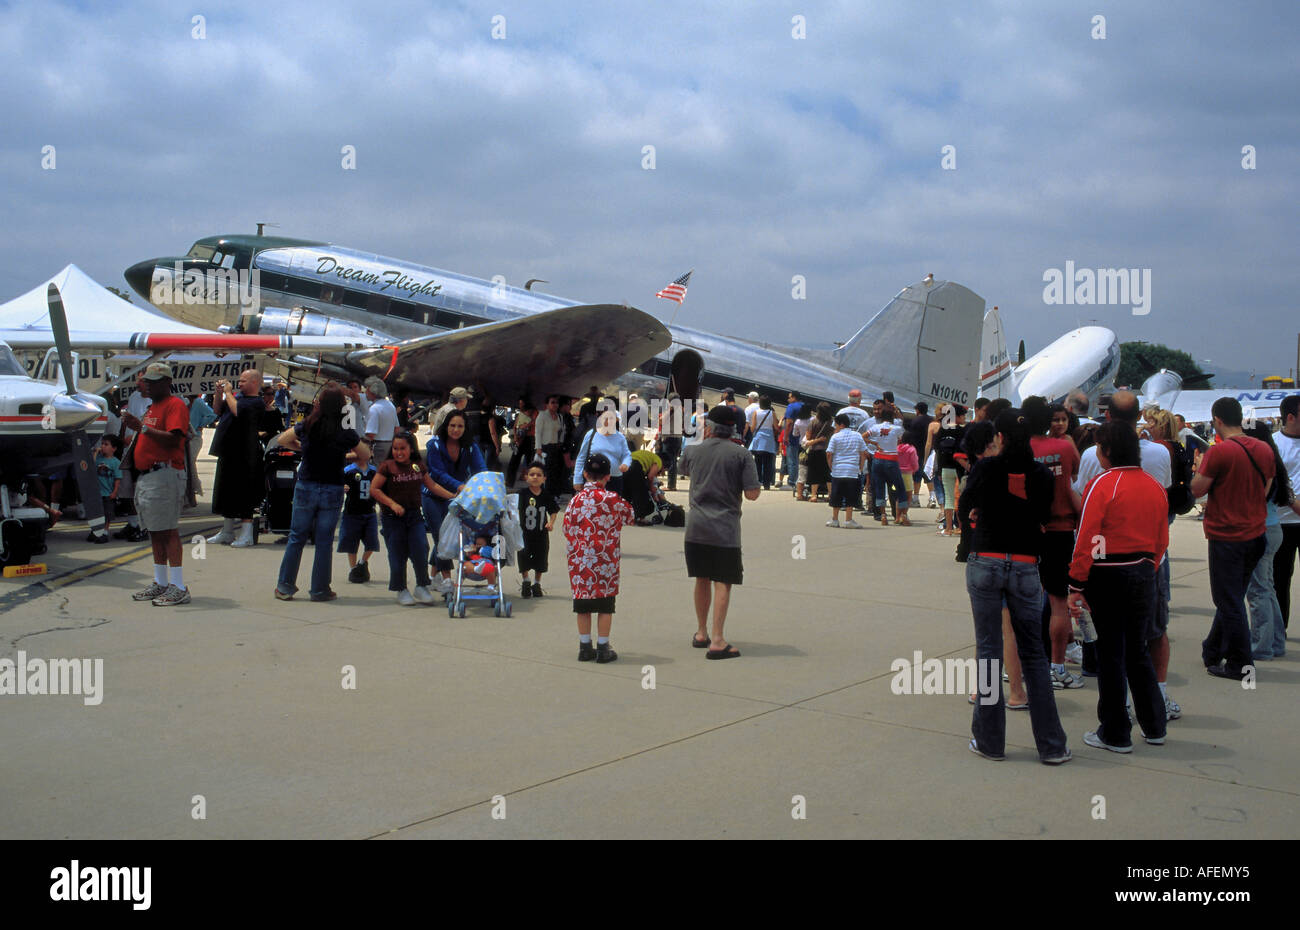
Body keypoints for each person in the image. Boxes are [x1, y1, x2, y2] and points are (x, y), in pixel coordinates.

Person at [961, 409, 1071, 765]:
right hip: (1025, 563)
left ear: (1001, 438)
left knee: (989, 650)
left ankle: (991, 741)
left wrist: (977, 519)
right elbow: (1044, 515)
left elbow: (965, 505)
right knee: (1034, 654)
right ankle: (1051, 744)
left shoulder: (986, 468)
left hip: (987, 558)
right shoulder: (1040, 474)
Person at [1067, 421, 1169, 753]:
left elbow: (1086, 537)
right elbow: (1161, 539)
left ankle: (1115, 731)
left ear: (1107, 451)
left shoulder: (1103, 484)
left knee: (1111, 653)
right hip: (1143, 572)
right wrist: (1147, 569)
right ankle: (1154, 725)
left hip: (1108, 574)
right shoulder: (1154, 486)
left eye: (1099, 447)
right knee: (1137, 650)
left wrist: (1076, 583)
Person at [1189, 397, 1276, 680]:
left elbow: (1197, 490)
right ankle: (1213, 649)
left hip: (1227, 535)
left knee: (1228, 600)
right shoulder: (1263, 448)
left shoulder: (1219, 452)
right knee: (1234, 597)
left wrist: (1198, 468)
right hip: (1256, 532)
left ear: (1217, 420)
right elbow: (1266, 488)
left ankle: (1241, 663)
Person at [677, 406, 761, 658]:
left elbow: (683, 470)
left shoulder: (692, 450)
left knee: (701, 578)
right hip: (725, 528)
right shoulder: (742, 455)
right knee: (722, 581)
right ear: (734, 428)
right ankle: (718, 639)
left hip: (696, 527)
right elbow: (752, 493)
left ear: (710, 427)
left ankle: (701, 632)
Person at [273, 383, 365, 602]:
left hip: (307, 484)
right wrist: (344, 455)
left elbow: (282, 439)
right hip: (332, 486)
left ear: (320, 404)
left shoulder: (308, 424)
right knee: (324, 541)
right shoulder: (345, 431)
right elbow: (365, 453)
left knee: (297, 537)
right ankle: (320, 588)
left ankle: (285, 586)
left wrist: (302, 448)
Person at [1023, 396, 1084, 690]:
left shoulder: (1019, 449)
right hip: (1061, 529)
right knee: (1059, 602)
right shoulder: (1065, 447)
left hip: (1025, 532)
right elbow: (1073, 481)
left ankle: (1021, 664)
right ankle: (1057, 666)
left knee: (1021, 602)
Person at [121, 363, 192, 606]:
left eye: (152, 381)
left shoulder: (175, 405)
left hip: (164, 474)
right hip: (149, 476)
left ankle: (178, 585)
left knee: (168, 530)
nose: (147, 384)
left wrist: (143, 428)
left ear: (166, 382)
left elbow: (175, 438)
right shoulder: (154, 407)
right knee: (155, 530)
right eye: (146, 380)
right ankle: (161, 581)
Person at [563, 454, 636, 663]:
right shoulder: (612, 499)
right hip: (605, 562)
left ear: (585, 474)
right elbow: (630, 516)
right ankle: (603, 647)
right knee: (605, 605)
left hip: (580, 562)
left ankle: (584, 646)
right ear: (607, 477)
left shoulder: (575, 500)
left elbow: (566, 527)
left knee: (583, 605)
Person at [1243, 423, 1296, 661]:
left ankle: (1262, 645)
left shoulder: (1259, 465)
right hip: (1274, 527)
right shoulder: (1275, 462)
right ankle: (1275, 641)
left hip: (1261, 529)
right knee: (1268, 586)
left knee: (1258, 591)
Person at [368, 431, 440, 606]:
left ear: (411, 449)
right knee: (397, 554)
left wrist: (453, 495)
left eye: (403, 448)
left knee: (421, 549)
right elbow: (374, 489)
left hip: (414, 516)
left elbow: (433, 486)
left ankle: (422, 586)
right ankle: (401, 589)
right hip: (392, 518)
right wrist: (392, 504)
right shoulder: (387, 466)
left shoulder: (418, 466)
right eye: (395, 448)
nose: (399, 452)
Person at [424, 410, 486, 593]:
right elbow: (437, 473)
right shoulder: (434, 445)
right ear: (445, 426)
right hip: (433, 496)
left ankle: (432, 576)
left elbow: (480, 469)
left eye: (460, 426)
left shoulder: (471, 446)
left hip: (457, 498)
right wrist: (459, 486)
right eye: (452, 425)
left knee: (445, 538)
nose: (456, 430)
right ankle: (448, 581)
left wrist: (489, 484)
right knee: (441, 537)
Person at [209, 367, 264, 548]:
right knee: (226, 492)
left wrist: (228, 392)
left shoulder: (256, 402)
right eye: (239, 381)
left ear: (254, 382)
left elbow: (237, 410)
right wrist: (219, 394)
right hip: (228, 452)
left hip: (245, 455)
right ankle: (227, 530)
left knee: (243, 494)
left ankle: (246, 534)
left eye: (243, 381)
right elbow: (218, 409)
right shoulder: (237, 398)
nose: (239, 384)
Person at [1272, 395, 1300, 645]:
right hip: (1284, 522)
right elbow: (1275, 481)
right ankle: (1280, 629)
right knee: (1281, 578)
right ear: (1290, 417)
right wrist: (1293, 502)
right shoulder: (1273, 445)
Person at [339, 441, 380, 584]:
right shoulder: (348, 470)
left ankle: (362, 562)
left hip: (369, 511)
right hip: (352, 512)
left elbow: (380, 488)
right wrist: (341, 487)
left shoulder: (374, 471)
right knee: (351, 541)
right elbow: (338, 484)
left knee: (372, 541)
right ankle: (353, 568)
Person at [516, 463, 558, 598]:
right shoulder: (522, 494)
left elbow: (553, 510)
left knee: (541, 558)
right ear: (526, 477)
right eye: (532, 474)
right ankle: (526, 581)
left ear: (544, 478)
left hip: (541, 533)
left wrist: (551, 523)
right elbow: (514, 509)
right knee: (523, 556)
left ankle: (537, 583)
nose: (535, 477)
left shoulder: (546, 495)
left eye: (539, 475)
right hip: (524, 533)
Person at [864, 408, 909, 526]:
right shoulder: (897, 429)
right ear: (893, 417)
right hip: (891, 460)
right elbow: (901, 439)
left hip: (878, 459)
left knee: (879, 487)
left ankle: (883, 515)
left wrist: (875, 444)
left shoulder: (875, 427)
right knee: (899, 487)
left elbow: (863, 436)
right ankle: (903, 515)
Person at [572, 408, 632, 496]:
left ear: (616, 420)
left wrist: (626, 464)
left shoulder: (620, 437)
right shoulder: (591, 434)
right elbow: (581, 457)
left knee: (612, 507)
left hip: (615, 480)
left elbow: (627, 455)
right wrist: (577, 479)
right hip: (594, 479)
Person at [824, 413, 868, 529]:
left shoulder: (835, 437)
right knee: (850, 496)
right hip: (852, 470)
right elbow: (864, 452)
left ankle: (835, 519)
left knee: (836, 495)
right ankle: (848, 520)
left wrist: (831, 467)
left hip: (838, 470)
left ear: (841, 425)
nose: (835, 427)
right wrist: (860, 467)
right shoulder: (857, 436)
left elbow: (829, 453)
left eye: (836, 425)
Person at [185, 393, 217, 509]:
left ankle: (193, 492)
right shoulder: (183, 401)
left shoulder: (198, 402)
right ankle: (189, 494)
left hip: (195, 437)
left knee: (190, 466)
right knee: (187, 467)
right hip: (184, 438)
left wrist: (200, 424)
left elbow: (212, 415)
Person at [91, 435, 122, 542]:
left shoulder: (116, 462)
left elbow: (118, 479)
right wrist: (95, 453)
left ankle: (105, 532)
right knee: (97, 513)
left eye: (106, 444)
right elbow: (92, 466)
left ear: (113, 448)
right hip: (97, 493)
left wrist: (115, 492)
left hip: (108, 493)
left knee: (107, 514)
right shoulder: (98, 459)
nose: (103, 446)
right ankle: (96, 531)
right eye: (102, 444)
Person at [534, 394, 566, 496]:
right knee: (545, 472)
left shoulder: (559, 417)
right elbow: (538, 432)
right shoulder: (542, 415)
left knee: (555, 472)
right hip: (545, 447)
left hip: (555, 447)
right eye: (552, 402)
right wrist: (538, 448)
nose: (555, 405)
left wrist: (560, 442)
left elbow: (562, 430)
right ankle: (544, 493)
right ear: (547, 405)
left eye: (556, 403)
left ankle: (553, 494)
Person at [802, 402, 834, 502]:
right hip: (828, 450)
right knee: (828, 473)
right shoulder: (831, 422)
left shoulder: (814, 421)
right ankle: (830, 494)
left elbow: (808, 437)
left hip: (815, 450)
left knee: (814, 473)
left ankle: (814, 495)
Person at [747, 394, 780, 490]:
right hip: (768, 440)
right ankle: (767, 484)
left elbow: (752, 428)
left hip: (758, 439)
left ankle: (757, 482)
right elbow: (776, 427)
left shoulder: (756, 413)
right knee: (768, 464)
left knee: (757, 462)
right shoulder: (771, 413)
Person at [363, 377, 397, 465]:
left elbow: (371, 434)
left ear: (373, 392)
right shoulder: (391, 405)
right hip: (390, 444)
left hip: (378, 447)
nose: (365, 392)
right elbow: (396, 428)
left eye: (367, 389)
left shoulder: (374, 409)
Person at [657, 392, 685, 491]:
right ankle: (672, 483)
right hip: (678, 437)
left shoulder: (672, 409)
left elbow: (661, 420)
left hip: (669, 437)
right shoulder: (682, 410)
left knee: (670, 460)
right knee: (673, 459)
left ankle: (671, 485)